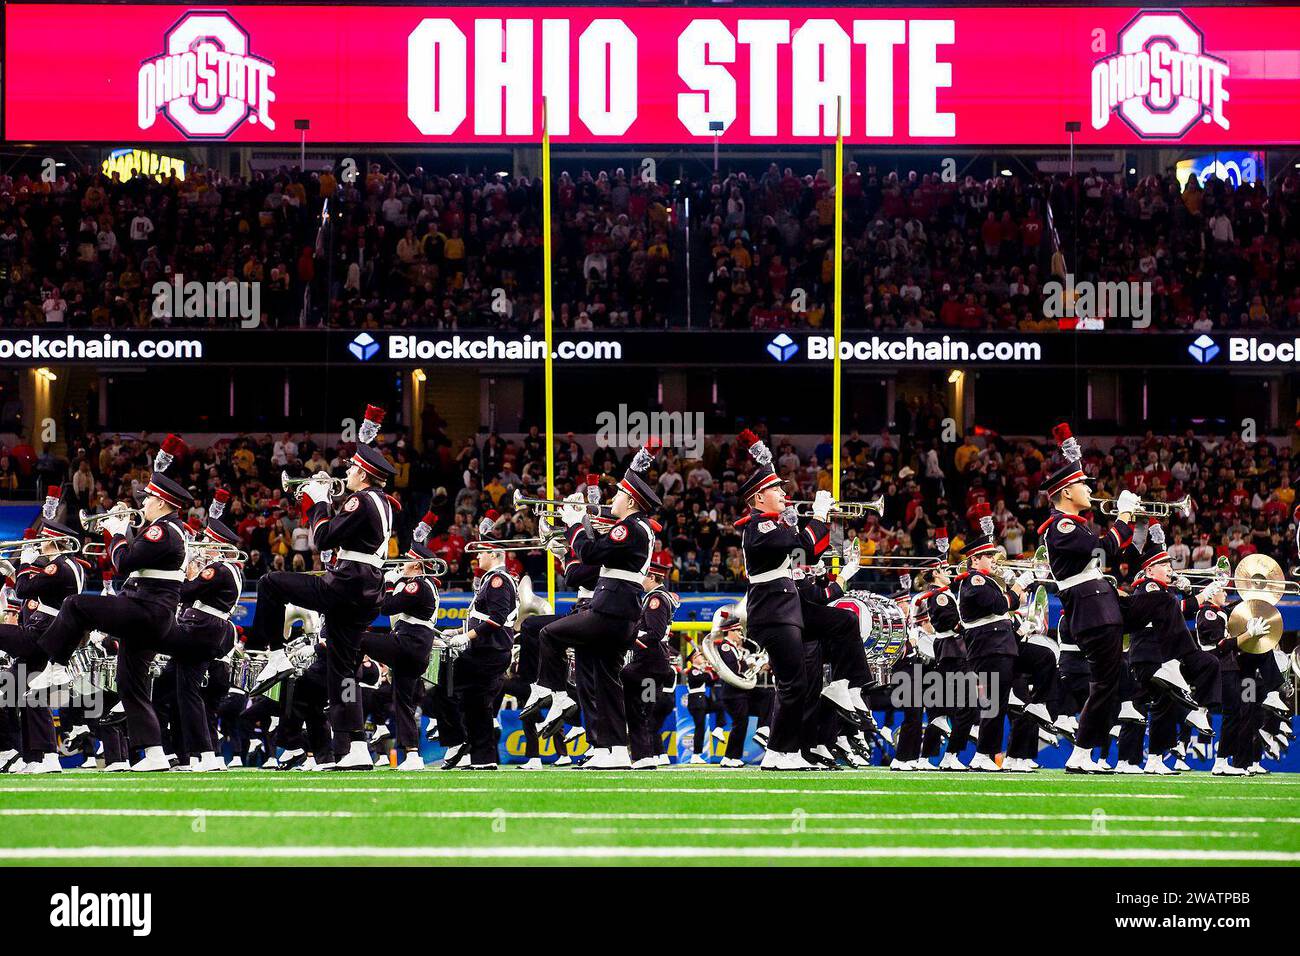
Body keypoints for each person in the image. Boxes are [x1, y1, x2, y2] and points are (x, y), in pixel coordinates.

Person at [249, 426, 396, 771]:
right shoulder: (382, 503)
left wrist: (317, 501)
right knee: (343, 674)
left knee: (271, 582)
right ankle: (357, 746)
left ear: (363, 473)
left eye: (351, 468)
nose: (345, 472)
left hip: (347, 584)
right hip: (365, 588)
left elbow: (323, 537)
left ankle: (271, 654)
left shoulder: (361, 499)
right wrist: (326, 503)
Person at [31, 465, 193, 772]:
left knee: (76, 605)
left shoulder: (162, 531)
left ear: (161, 502)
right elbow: (138, 553)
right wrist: (122, 529)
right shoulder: (165, 531)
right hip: (151, 614)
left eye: (147, 499)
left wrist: (117, 531)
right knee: (130, 685)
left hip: (146, 611)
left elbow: (124, 561)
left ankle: (56, 667)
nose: (142, 504)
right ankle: (156, 754)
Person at [521, 441, 664, 771]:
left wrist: (573, 523)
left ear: (630, 500)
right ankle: (610, 749)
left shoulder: (631, 527)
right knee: (602, 681)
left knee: (548, 635)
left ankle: (554, 693)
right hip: (617, 613)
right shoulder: (633, 528)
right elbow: (592, 555)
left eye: (617, 495)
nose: (612, 500)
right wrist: (581, 526)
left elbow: (589, 552)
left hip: (610, 612)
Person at [1039, 422, 1135, 774]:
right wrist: (1124, 519)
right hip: (1094, 611)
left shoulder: (1075, 524)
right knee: (1106, 684)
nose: (1088, 490)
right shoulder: (1062, 527)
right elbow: (1103, 549)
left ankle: (1137, 698)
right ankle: (1081, 752)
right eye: (1081, 484)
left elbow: (1107, 553)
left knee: (1160, 606)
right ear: (1065, 492)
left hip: (1102, 604)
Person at [733, 429, 831, 771]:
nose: (782, 494)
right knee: (793, 683)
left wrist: (808, 526)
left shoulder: (775, 524)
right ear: (759, 498)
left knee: (796, 682)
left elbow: (810, 557)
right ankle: (778, 751)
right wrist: (817, 518)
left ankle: (783, 751)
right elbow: (800, 548)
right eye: (776, 489)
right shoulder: (758, 526)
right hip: (773, 610)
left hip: (782, 608)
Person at [0, 505, 90, 773]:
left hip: (44, 634)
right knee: (11, 693)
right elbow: (31, 590)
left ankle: (47, 757)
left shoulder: (61, 566)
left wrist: (24, 563)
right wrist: (13, 572)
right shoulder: (65, 566)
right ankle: (24, 756)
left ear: (52, 540)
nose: (39, 546)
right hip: (46, 633)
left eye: (42, 540)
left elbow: (26, 589)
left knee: (33, 695)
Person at [162, 516, 242, 772]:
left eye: (207, 541)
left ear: (217, 546)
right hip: (203, 630)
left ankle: (204, 754)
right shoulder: (226, 569)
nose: (202, 545)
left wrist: (184, 568)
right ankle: (182, 754)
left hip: (201, 631)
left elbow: (185, 592)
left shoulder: (219, 568)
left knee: (188, 693)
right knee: (168, 689)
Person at [438, 513, 517, 770]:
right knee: (475, 702)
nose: (477, 557)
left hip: (489, 651)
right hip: (486, 650)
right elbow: (480, 617)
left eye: (481, 553)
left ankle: (457, 739)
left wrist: (466, 636)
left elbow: (497, 618)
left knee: (445, 683)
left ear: (494, 555)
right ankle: (481, 758)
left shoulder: (498, 580)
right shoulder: (490, 580)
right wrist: (457, 630)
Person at [363, 543, 441, 771]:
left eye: (407, 560)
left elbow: (386, 607)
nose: (402, 564)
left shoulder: (418, 584)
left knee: (356, 638)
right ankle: (413, 755)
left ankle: (345, 681)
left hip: (408, 643)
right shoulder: (426, 585)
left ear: (417, 564)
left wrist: (388, 581)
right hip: (416, 649)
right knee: (402, 703)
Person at [622, 560, 678, 769]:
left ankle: (639, 752)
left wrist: (628, 638)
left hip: (647, 663)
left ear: (652, 577)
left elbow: (653, 632)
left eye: (643, 575)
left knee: (635, 706)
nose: (640, 579)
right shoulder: (661, 597)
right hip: (655, 665)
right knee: (645, 709)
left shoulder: (656, 599)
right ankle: (647, 755)